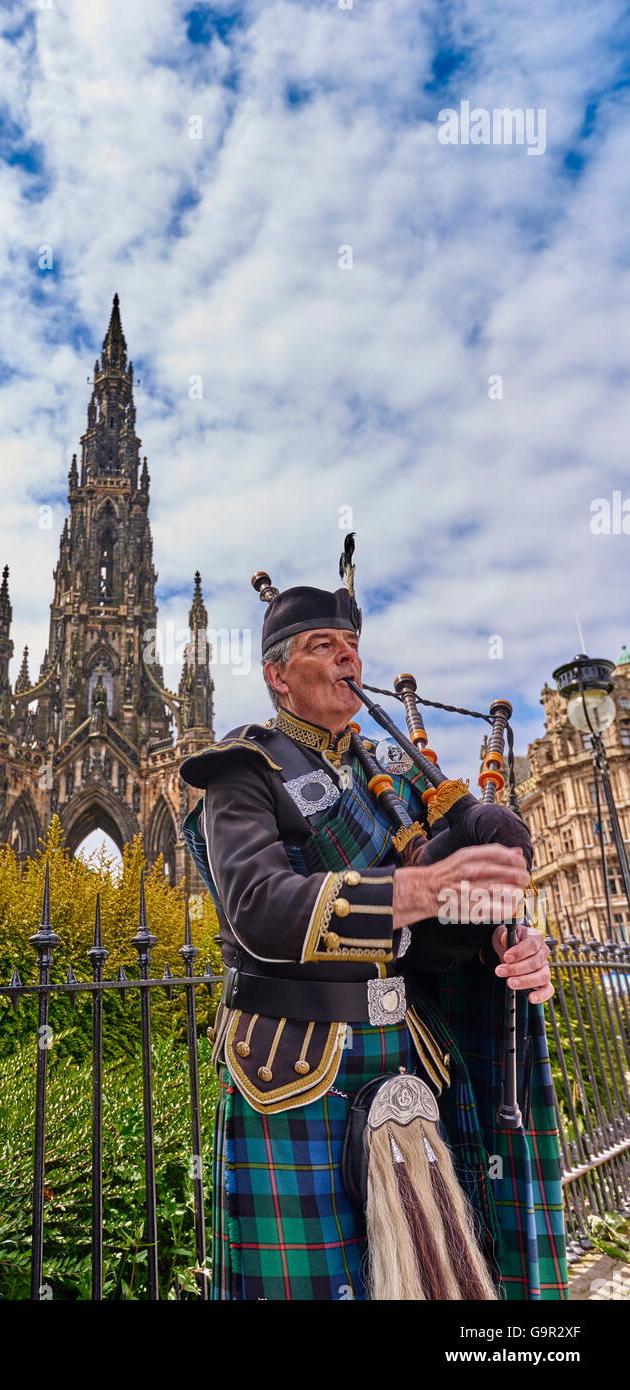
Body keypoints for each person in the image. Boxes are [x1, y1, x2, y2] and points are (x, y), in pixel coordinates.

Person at [179, 541, 568, 1301]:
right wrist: (422, 888)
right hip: (293, 1070)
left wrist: (502, 941)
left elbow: (430, 945)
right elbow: (259, 909)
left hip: (405, 1058)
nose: (346, 660)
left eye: (352, 646)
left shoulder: (383, 779)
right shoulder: (243, 771)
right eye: (322, 647)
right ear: (277, 675)